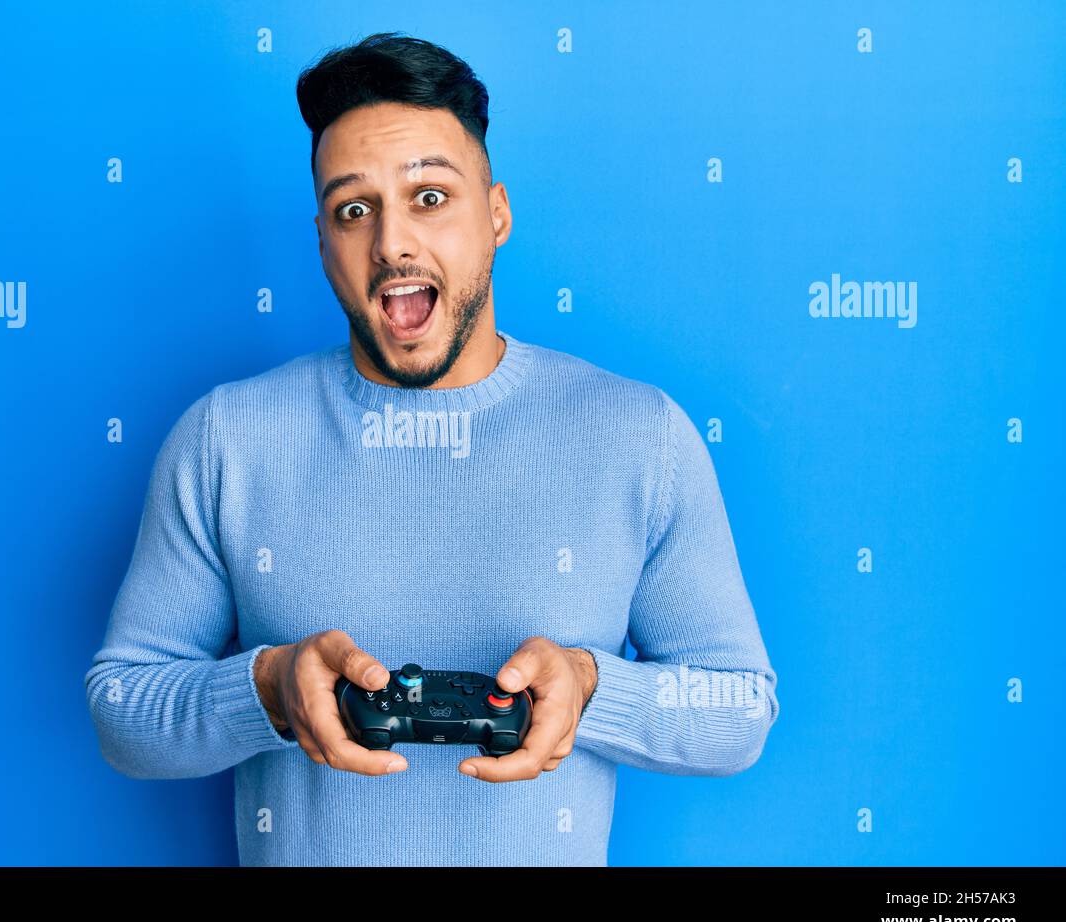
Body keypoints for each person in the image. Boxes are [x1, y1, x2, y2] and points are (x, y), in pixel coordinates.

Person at [85, 31, 778, 866]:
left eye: (430, 197)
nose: (391, 244)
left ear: (496, 216)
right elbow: (122, 711)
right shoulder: (225, 438)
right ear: (322, 241)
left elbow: (739, 712)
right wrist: (266, 688)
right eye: (354, 209)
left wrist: (594, 689)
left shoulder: (639, 434)